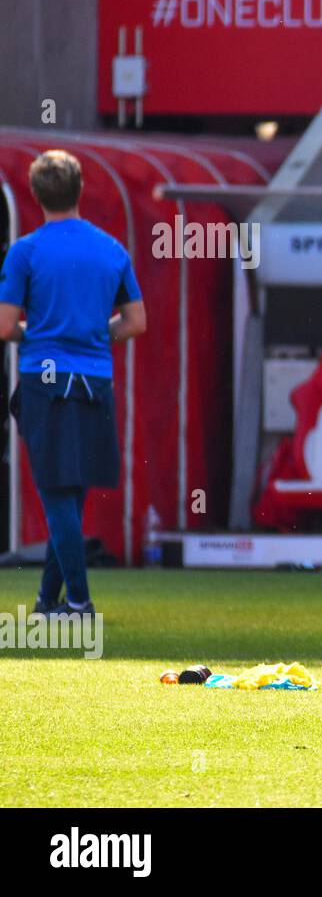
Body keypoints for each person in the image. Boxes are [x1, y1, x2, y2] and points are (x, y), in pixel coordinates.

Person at [0, 151, 147, 616]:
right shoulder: (112, 250)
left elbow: (5, 327)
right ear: (80, 189)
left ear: (36, 194)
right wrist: (91, 333)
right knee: (72, 494)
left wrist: (38, 334)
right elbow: (136, 321)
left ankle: (79, 602)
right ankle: (48, 601)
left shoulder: (25, 252)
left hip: (46, 382)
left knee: (53, 494)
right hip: (95, 381)